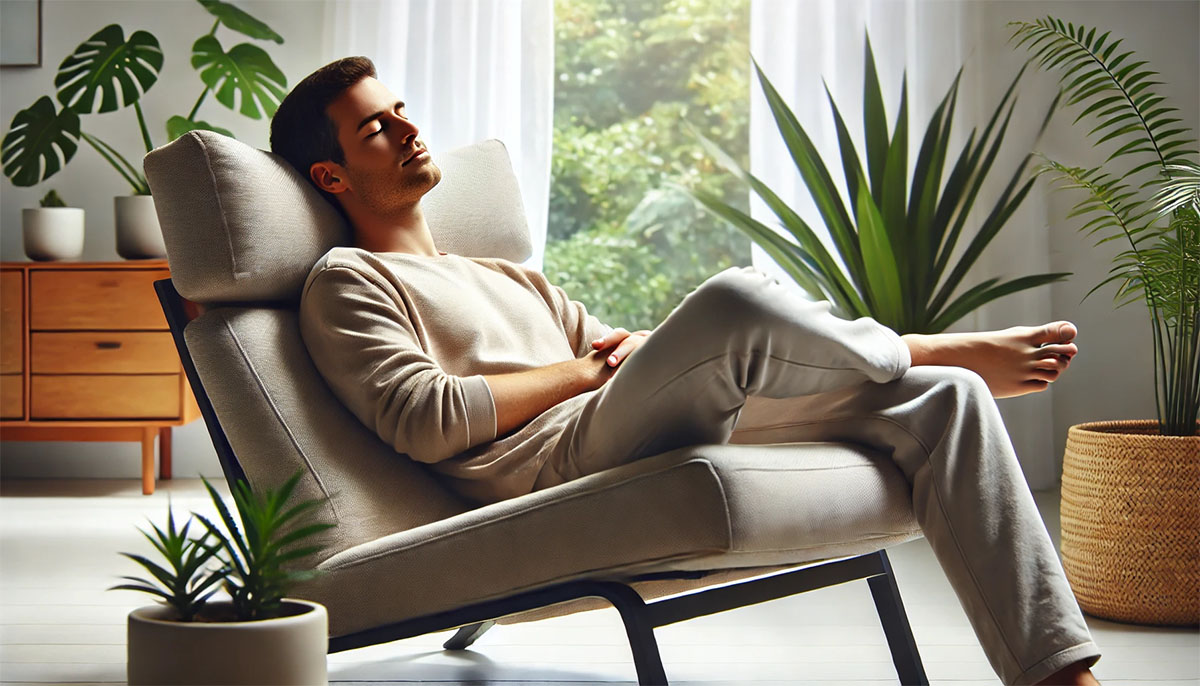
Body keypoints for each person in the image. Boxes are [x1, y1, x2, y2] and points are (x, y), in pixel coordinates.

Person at [270, 57, 1101, 686]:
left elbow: (608, 351)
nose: (411, 129)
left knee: (943, 401)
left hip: (614, 418)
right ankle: (924, 342)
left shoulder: (507, 275)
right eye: (376, 128)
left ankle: (1062, 674)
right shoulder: (346, 282)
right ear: (332, 176)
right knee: (735, 299)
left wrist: (620, 356)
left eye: (403, 111)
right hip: (549, 466)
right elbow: (427, 419)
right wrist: (583, 376)